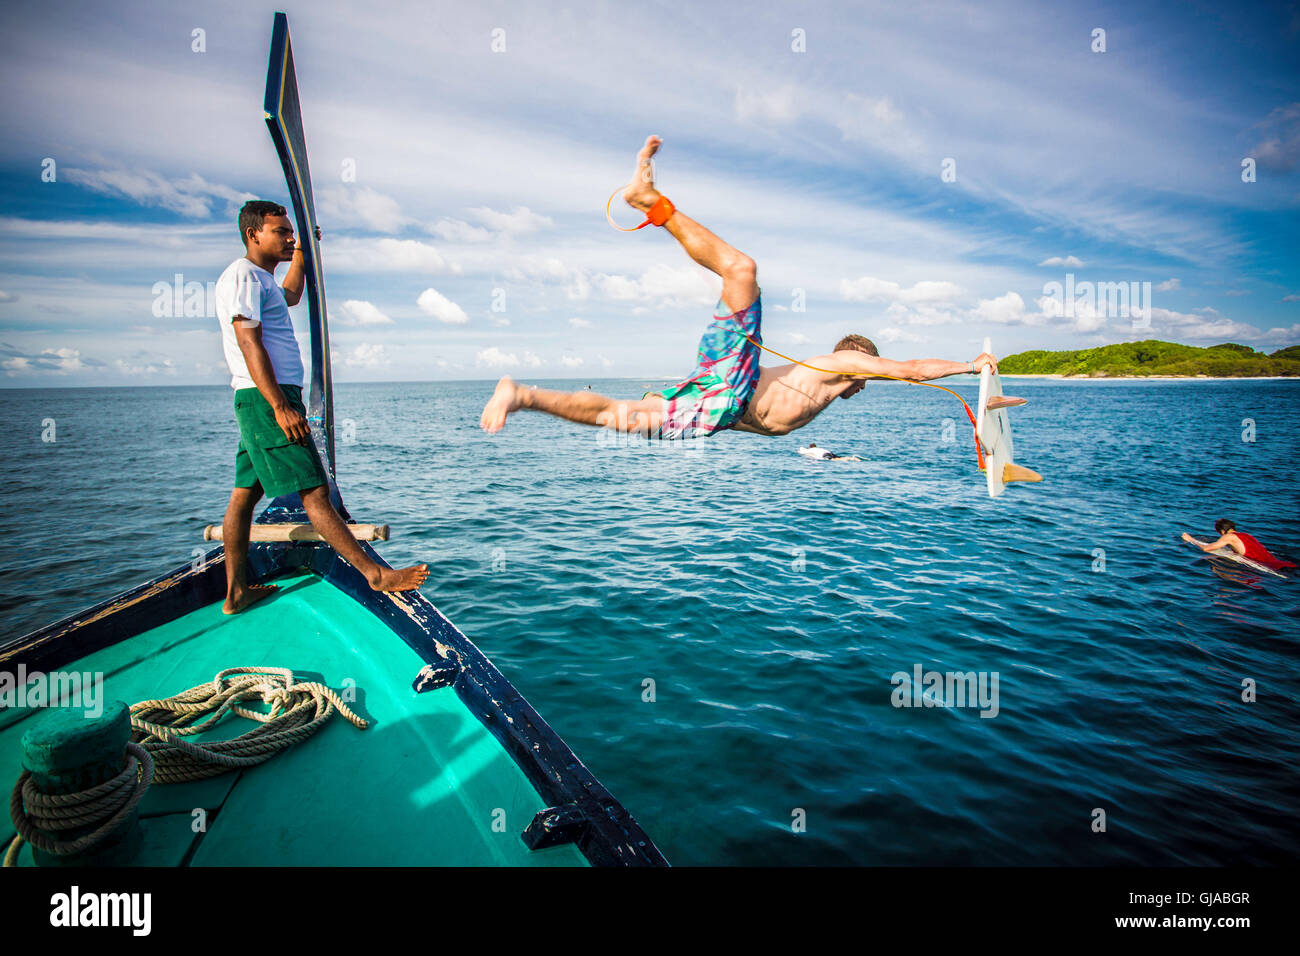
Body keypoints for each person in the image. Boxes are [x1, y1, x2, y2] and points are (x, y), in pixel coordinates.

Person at [480, 135, 997, 440]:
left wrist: (670, 395)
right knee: (741, 270)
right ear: (857, 362)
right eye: (866, 373)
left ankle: (522, 394)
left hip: (718, 402)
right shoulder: (845, 365)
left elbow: (904, 377)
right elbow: (909, 370)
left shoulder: (830, 383)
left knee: (626, 416)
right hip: (734, 383)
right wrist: (970, 366)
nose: (865, 385)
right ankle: (649, 201)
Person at [215, 200, 429, 613]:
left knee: (245, 494)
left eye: (290, 232)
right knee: (315, 490)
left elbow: (292, 294)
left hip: (262, 399)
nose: (288, 237)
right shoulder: (242, 276)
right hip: (266, 398)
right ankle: (375, 575)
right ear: (252, 234)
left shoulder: (261, 280)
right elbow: (248, 342)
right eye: (281, 232)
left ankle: (236, 591)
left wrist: (303, 250)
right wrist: (279, 404)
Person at [1182, 519, 1296, 571]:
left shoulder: (1228, 537)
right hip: (1282, 563)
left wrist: (1191, 539)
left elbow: (1207, 549)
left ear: (1221, 531)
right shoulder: (1247, 535)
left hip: (1272, 567)